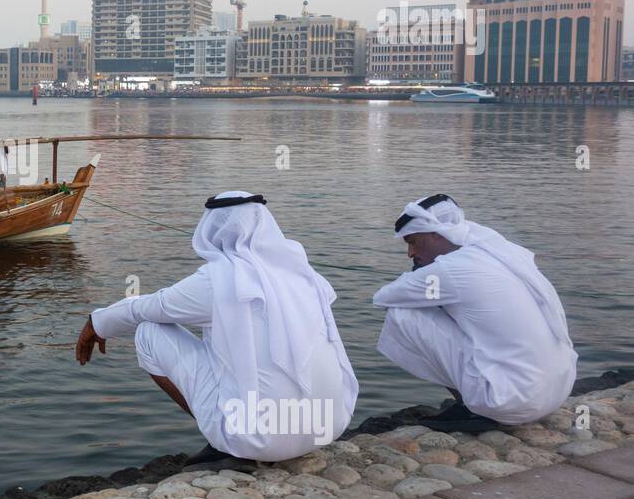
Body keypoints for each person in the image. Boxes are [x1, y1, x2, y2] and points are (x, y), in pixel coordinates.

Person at [75, 191, 357, 463]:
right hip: (328, 426)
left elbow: (151, 308)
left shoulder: (219, 277)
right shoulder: (302, 271)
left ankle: (223, 440)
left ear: (212, 229)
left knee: (149, 331)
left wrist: (97, 322)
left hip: (259, 440)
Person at [372, 194, 577, 430]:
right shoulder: (498, 251)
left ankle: (471, 408)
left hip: (511, 402)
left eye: (413, 241)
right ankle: (479, 397)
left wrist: (419, 273)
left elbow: (383, 298)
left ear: (435, 234)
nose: (410, 252)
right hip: (556, 392)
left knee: (402, 313)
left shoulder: (450, 269)